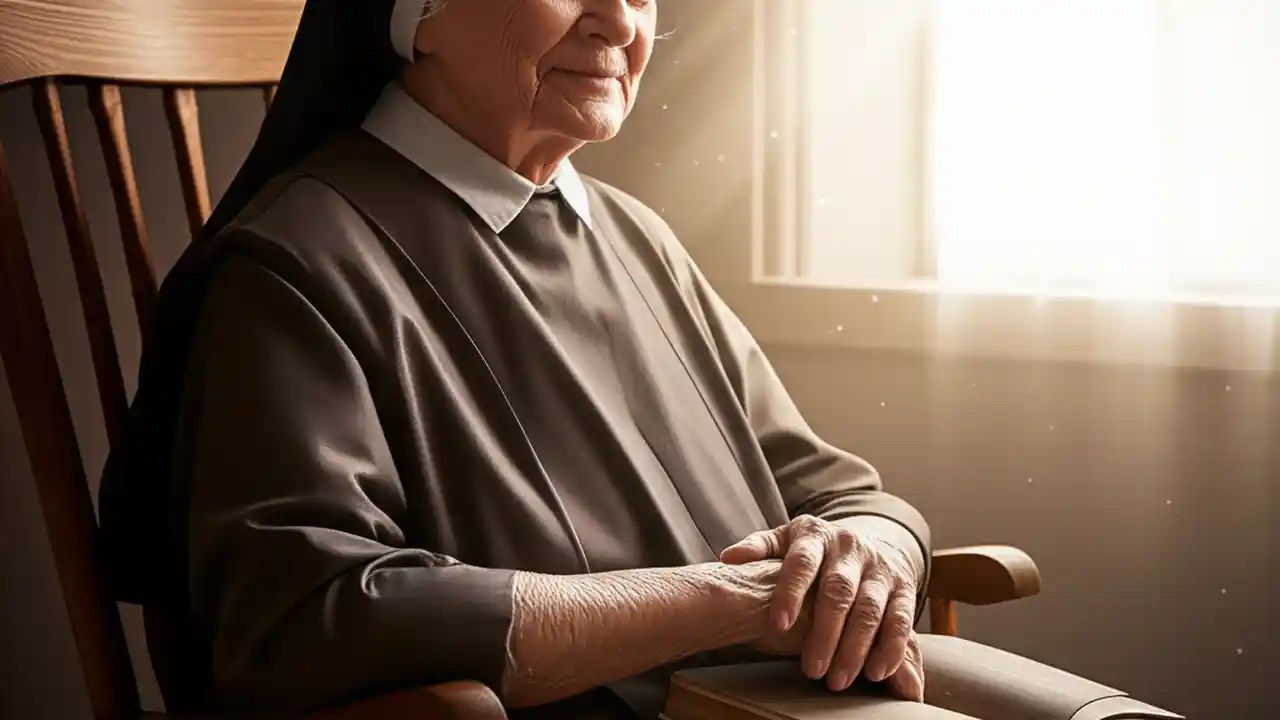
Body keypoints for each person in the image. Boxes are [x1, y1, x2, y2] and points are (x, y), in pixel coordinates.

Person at [98, 1, 932, 717]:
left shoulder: (636, 233)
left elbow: (834, 491)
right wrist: (731, 604)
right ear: (420, 16)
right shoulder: (292, 266)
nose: (618, 22)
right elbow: (311, 615)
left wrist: (874, 554)